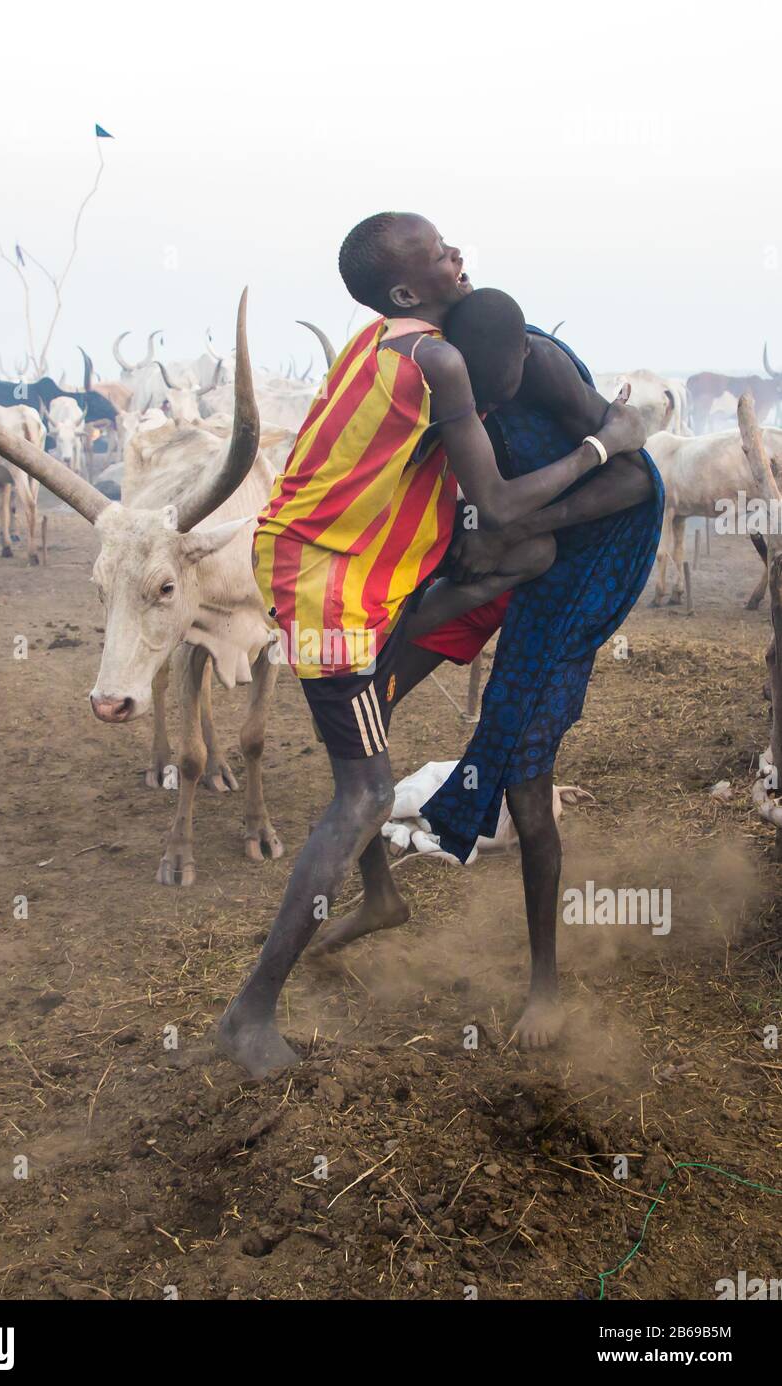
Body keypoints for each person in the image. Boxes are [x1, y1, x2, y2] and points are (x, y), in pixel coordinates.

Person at [218, 213, 645, 1077]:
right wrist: (605, 444)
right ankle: (248, 1014)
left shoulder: (381, 342)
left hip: (354, 563)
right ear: (408, 291)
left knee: (513, 562)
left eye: (449, 241)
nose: (455, 251)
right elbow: (498, 493)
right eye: (436, 251)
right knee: (366, 792)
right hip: (330, 585)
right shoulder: (441, 360)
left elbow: (522, 525)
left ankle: (379, 897)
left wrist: (486, 544)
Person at [312, 287, 665, 1049]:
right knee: (358, 704)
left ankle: (544, 986)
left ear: (523, 363)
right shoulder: (425, 373)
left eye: (502, 385)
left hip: (578, 566)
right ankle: (379, 898)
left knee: (522, 775)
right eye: (481, 389)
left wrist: (520, 525)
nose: (492, 399)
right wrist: (491, 542)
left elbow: (635, 478)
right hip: (492, 559)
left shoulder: (540, 369)